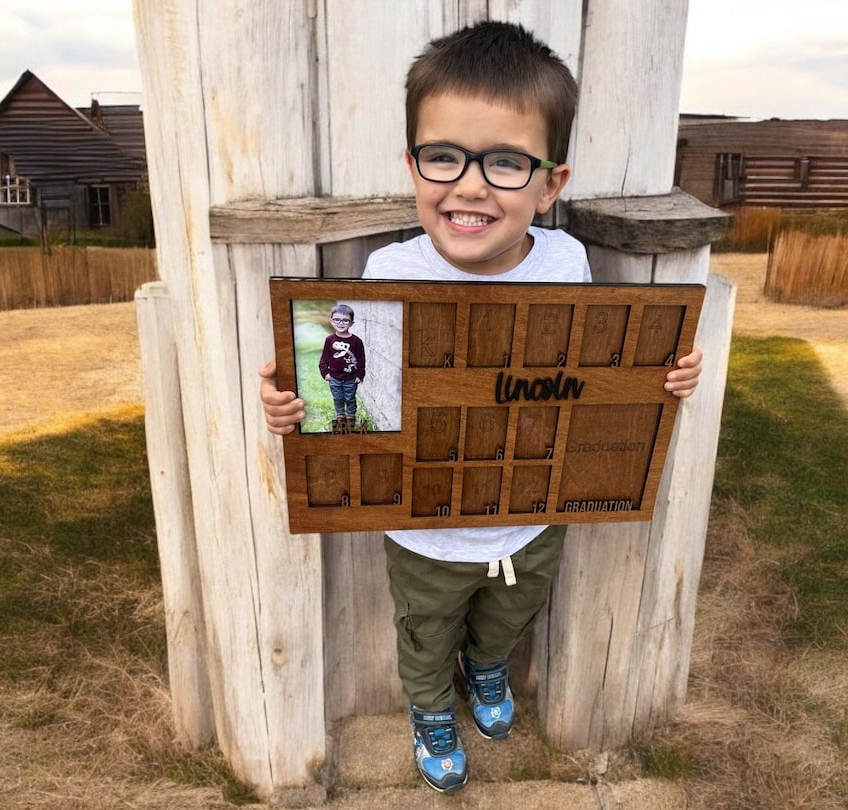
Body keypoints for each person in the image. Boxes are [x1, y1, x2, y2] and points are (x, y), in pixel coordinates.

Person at [260, 21, 703, 793]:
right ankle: (431, 708)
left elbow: (589, 372)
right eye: (444, 157)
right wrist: (292, 407)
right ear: (414, 166)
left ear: (549, 184)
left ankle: (488, 668)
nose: (469, 186)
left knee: (509, 614)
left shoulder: (567, 263)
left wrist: (661, 379)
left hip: (530, 511)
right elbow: (361, 392)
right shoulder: (386, 270)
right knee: (425, 632)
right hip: (425, 526)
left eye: (504, 163)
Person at [317, 303, 365, 428]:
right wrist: (325, 373)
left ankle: (350, 418)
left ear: (351, 323)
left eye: (345, 320)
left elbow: (361, 359)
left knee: (350, 398)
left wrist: (360, 374)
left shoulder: (356, 341)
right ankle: (340, 417)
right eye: (337, 319)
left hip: (351, 378)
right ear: (331, 321)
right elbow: (324, 358)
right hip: (334, 377)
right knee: (338, 398)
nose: (341, 323)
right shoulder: (329, 340)